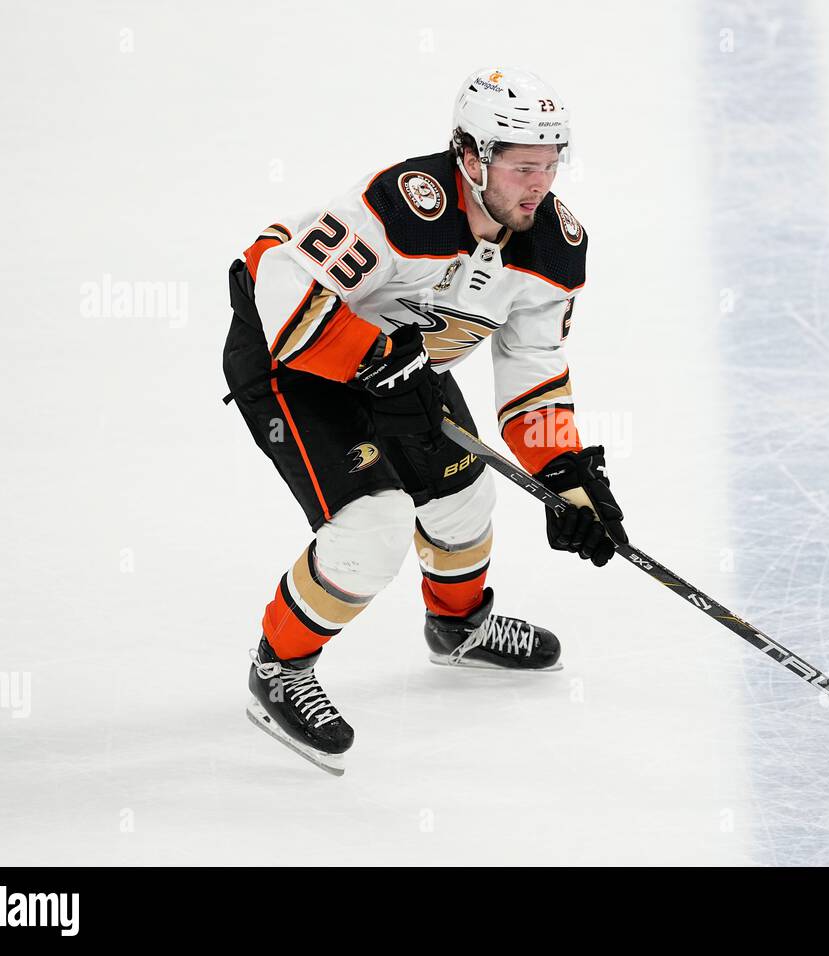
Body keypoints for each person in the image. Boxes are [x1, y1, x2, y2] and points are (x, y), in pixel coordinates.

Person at [222, 68, 628, 774]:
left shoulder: (554, 247)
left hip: (402, 369)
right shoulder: (402, 206)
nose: (540, 183)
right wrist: (372, 353)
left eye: (551, 164)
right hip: (292, 360)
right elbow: (282, 291)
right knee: (373, 527)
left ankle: (458, 626)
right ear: (471, 158)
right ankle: (279, 667)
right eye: (522, 166)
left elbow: (532, 371)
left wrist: (566, 477)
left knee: (466, 498)